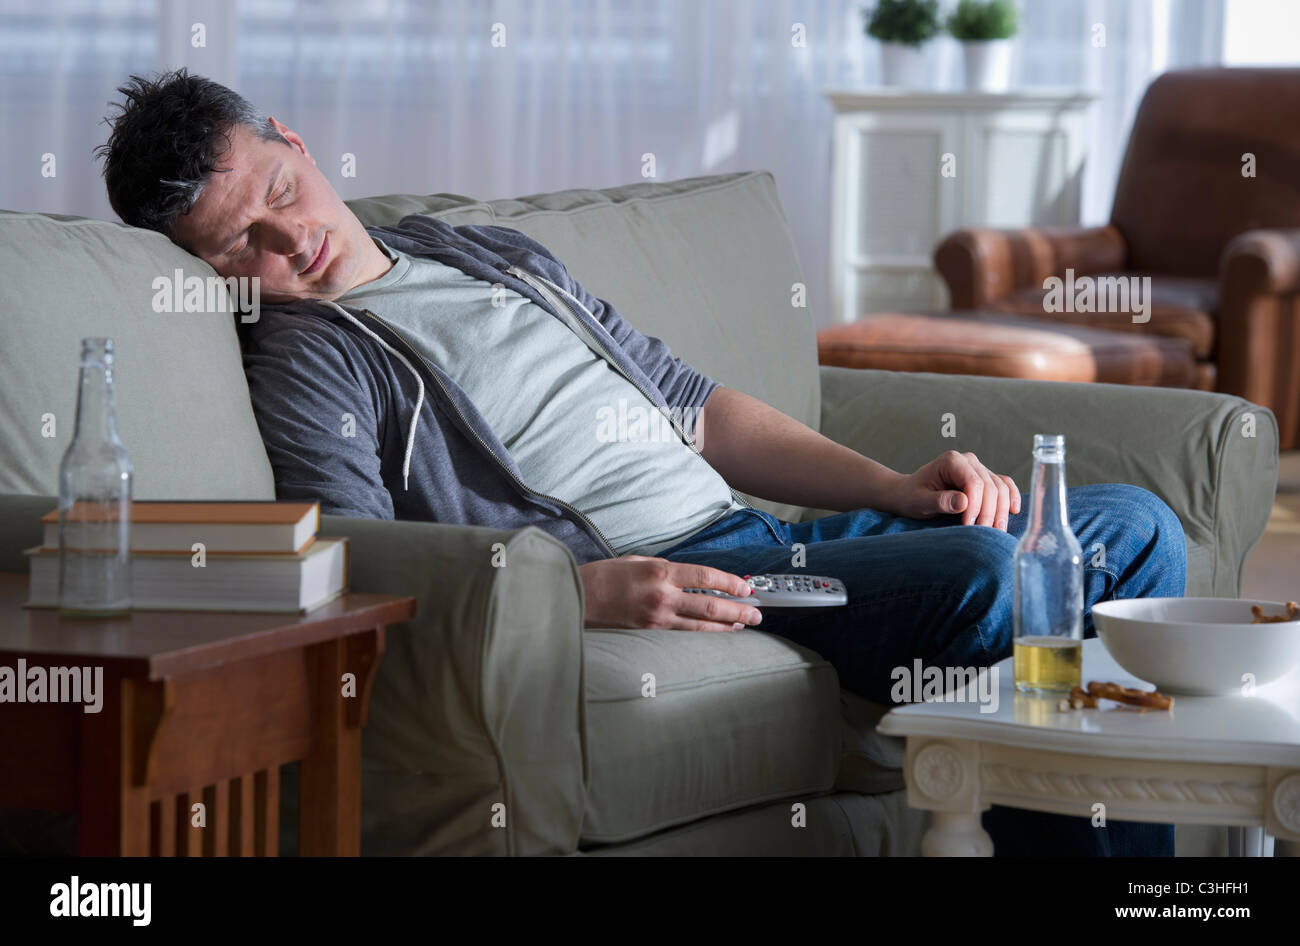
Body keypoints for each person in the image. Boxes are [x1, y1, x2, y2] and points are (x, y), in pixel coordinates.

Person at [97, 69, 1185, 855]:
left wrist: (894, 487)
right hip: (705, 573)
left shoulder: (473, 247)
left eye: (279, 196)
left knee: (1138, 523)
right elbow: (357, 557)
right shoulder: (305, 358)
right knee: (985, 576)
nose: (289, 246)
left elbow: (695, 407)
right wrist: (569, 589)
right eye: (239, 247)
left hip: (774, 532)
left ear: (295, 139)